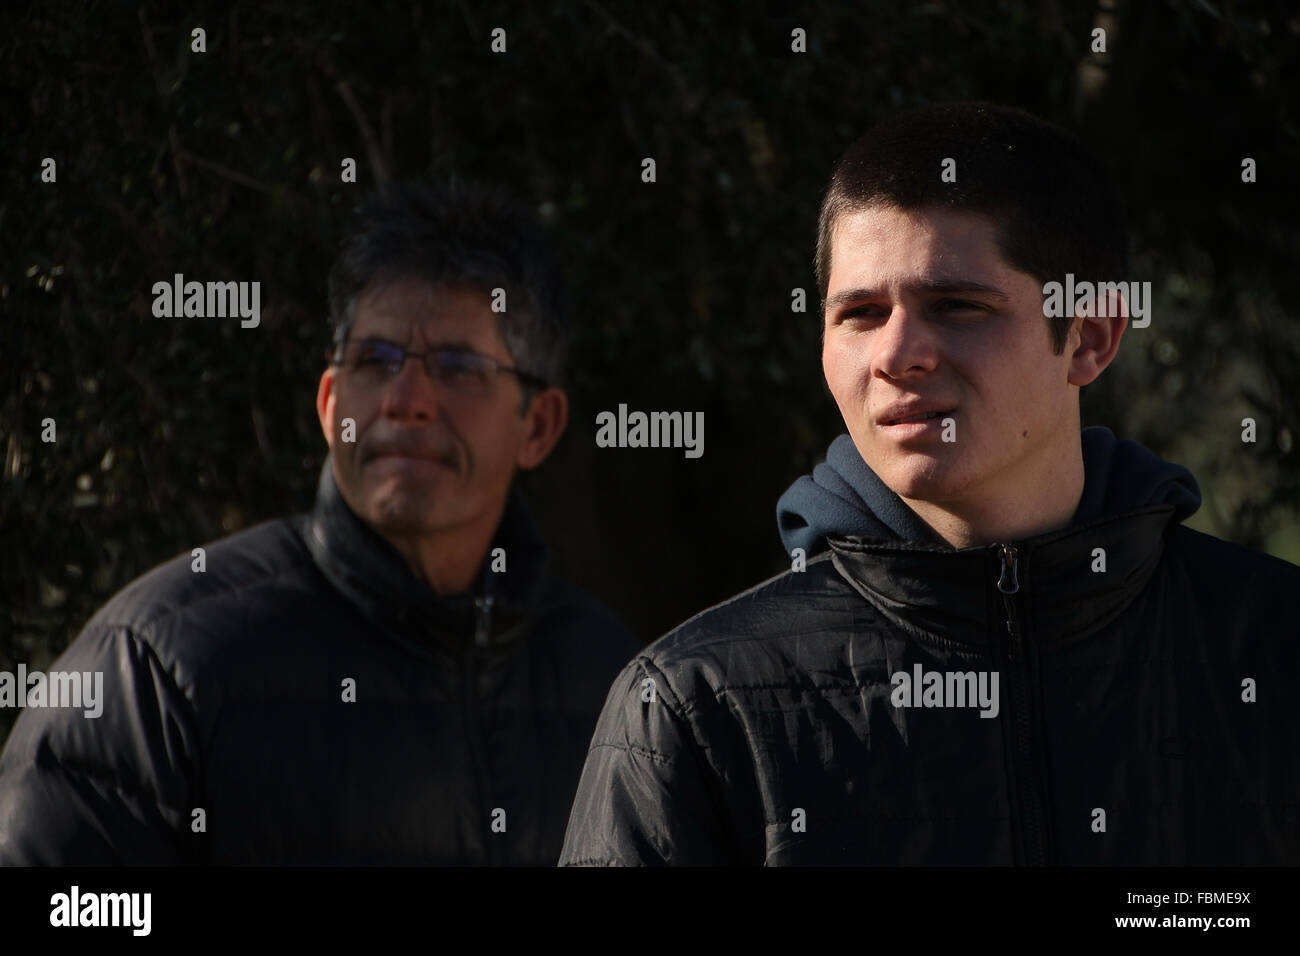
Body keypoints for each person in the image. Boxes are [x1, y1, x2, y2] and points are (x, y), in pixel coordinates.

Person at [559, 102, 1300, 866]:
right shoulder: (697, 708)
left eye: (956, 306)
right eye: (861, 313)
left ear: (1090, 336)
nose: (897, 353)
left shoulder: (1273, 654)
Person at [0, 179, 639, 865]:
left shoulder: (615, 687)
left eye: (457, 367)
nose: (407, 400)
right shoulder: (159, 665)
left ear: (538, 426)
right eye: (375, 360)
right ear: (331, 403)